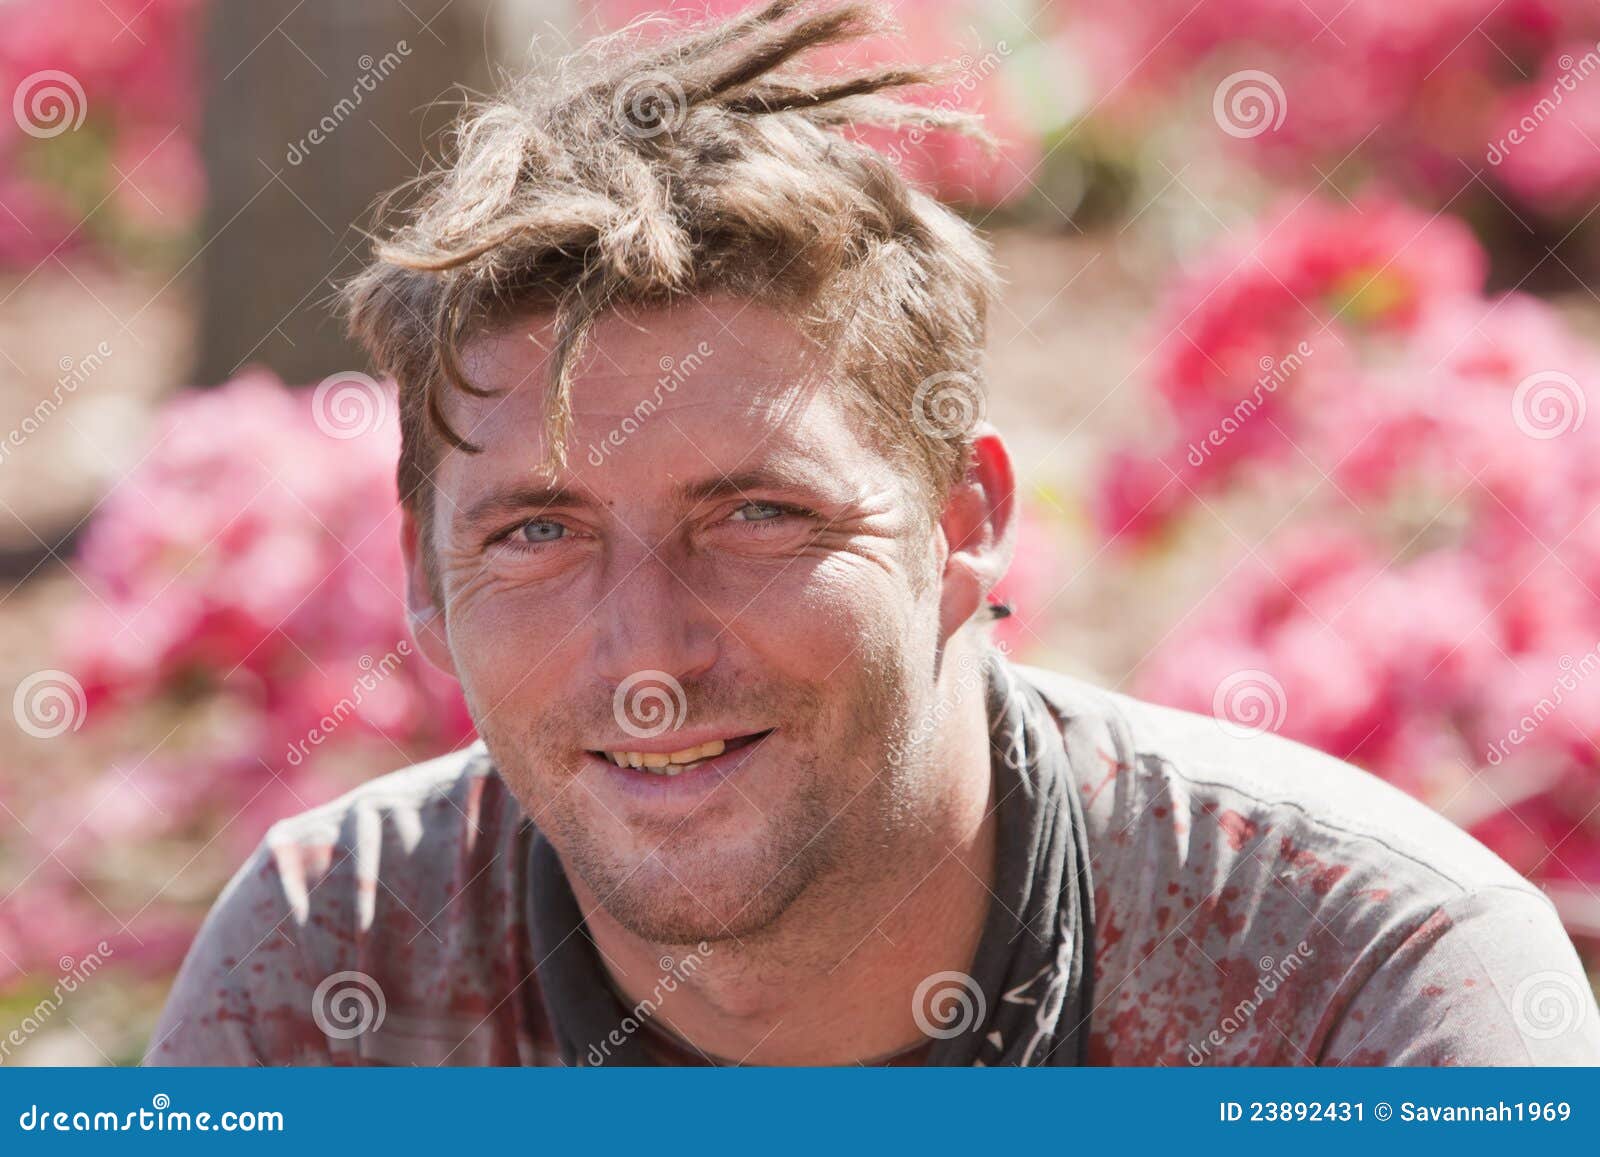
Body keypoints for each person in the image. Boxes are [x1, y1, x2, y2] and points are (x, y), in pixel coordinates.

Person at [146, 0, 1600, 1066]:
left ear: (967, 522)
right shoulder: (323, 978)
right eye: (539, 530)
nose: (647, 652)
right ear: (420, 569)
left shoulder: (1355, 993)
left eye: (758, 514)